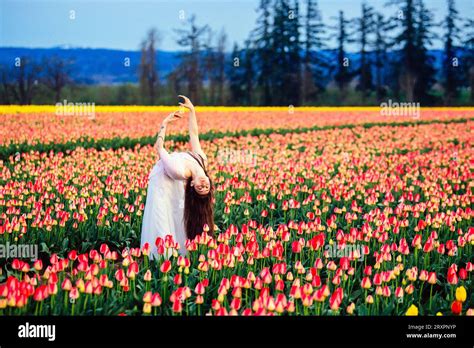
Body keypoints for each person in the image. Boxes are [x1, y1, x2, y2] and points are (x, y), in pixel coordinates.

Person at [140, 95, 214, 258]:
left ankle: (163, 257)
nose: (203, 185)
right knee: (176, 213)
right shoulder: (202, 160)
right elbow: (194, 135)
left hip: (161, 178)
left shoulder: (179, 172)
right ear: (209, 181)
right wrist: (192, 110)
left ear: (192, 185)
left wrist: (164, 124)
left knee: (164, 215)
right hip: (169, 171)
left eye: (200, 188)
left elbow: (159, 148)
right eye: (206, 186)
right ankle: (170, 254)